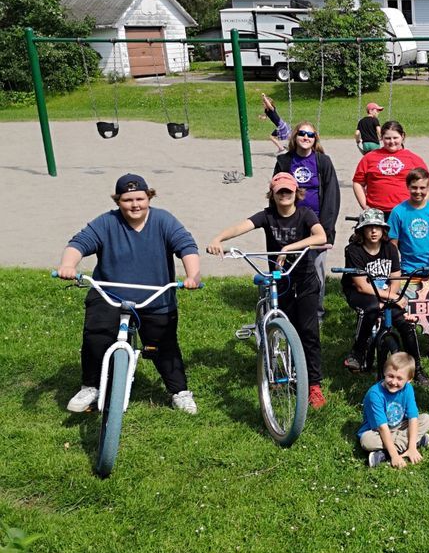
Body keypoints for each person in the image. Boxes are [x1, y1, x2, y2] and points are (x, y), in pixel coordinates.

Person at [57, 173, 201, 414]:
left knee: (164, 346)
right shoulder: (107, 222)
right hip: (110, 296)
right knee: (96, 338)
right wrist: (69, 265)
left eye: (140, 198)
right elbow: (79, 243)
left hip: (155, 297)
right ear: (118, 201)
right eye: (127, 200)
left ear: (148, 198)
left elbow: (186, 245)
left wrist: (193, 275)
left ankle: (179, 392)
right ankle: (90, 387)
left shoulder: (163, 220)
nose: (135, 205)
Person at [206, 172, 329, 409]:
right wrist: (218, 238)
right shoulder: (267, 216)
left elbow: (320, 235)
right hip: (279, 280)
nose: (284, 195)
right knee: (283, 328)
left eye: (289, 191)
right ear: (272, 193)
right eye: (280, 191)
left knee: (308, 331)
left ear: (296, 193)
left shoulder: (305, 214)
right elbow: (242, 226)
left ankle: (313, 384)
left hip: (304, 280)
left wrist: (288, 247)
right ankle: (284, 370)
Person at [341, 208, 429, 385]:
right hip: (360, 292)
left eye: (377, 227)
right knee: (371, 309)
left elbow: (395, 277)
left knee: (406, 323)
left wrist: (391, 295)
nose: (373, 231)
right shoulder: (354, 250)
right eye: (369, 227)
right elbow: (361, 285)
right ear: (361, 230)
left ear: (383, 230)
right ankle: (358, 353)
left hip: (386, 292)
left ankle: (417, 368)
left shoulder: (389, 248)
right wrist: (388, 297)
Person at [274, 121, 341, 319]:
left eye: (310, 135)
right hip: (290, 223)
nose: (306, 137)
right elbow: (276, 191)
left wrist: (325, 230)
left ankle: (315, 313)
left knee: (315, 272)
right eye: (302, 133)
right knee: (286, 269)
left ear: (315, 139)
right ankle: (287, 311)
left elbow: (332, 196)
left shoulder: (322, 161)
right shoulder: (284, 162)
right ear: (294, 136)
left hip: (316, 225)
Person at [358, 352, 429, 468]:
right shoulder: (375, 394)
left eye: (399, 378)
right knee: (366, 441)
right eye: (390, 376)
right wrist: (394, 456)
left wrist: (412, 448)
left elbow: (413, 418)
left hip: (399, 426)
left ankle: (384, 454)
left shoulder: (408, 389)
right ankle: (417, 441)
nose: (393, 382)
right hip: (377, 431)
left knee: (427, 419)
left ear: (409, 380)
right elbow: (382, 427)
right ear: (384, 372)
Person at [352, 120, 429, 215]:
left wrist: (421, 204)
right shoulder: (369, 158)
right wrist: (365, 206)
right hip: (377, 212)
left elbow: (428, 183)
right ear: (381, 138)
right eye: (388, 138)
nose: (392, 142)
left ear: (403, 137)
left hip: (406, 210)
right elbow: (358, 182)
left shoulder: (413, 159)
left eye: (395, 138)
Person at [388, 168, 429, 274]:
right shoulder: (398, 212)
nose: (418, 192)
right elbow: (393, 244)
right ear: (407, 186)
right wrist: (396, 269)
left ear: (428, 188)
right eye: (414, 187)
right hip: (408, 269)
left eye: (422, 188)